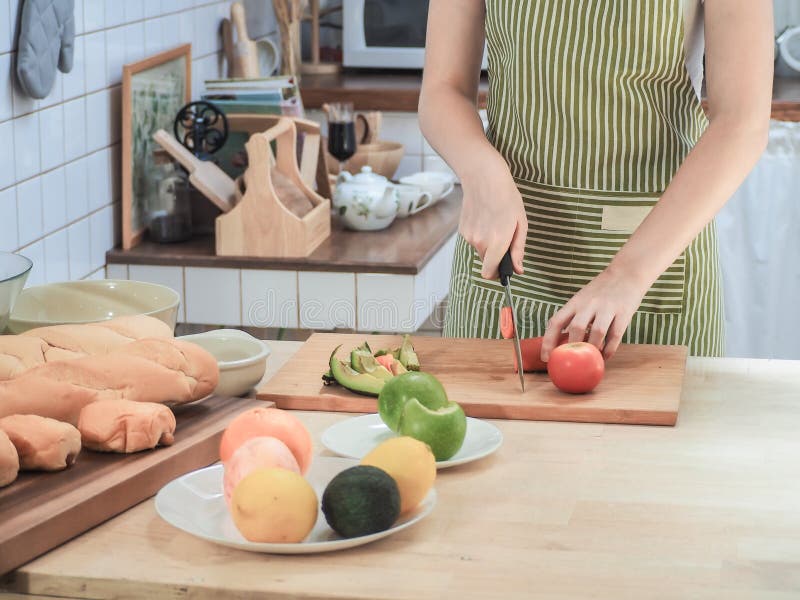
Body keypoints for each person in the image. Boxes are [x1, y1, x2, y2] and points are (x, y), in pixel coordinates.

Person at [419, 0, 773, 359]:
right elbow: (442, 89)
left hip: (654, 265)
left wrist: (629, 274)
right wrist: (482, 172)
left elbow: (742, 123)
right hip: (506, 258)